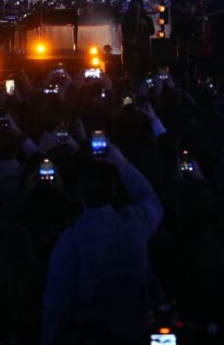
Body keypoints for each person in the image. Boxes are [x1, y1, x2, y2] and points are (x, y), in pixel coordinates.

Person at [42, 140, 163, 344]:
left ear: (79, 194)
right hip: (137, 332)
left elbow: (56, 302)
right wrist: (122, 163)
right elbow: (152, 199)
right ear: (114, 192)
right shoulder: (135, 223)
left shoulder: (71, 241)